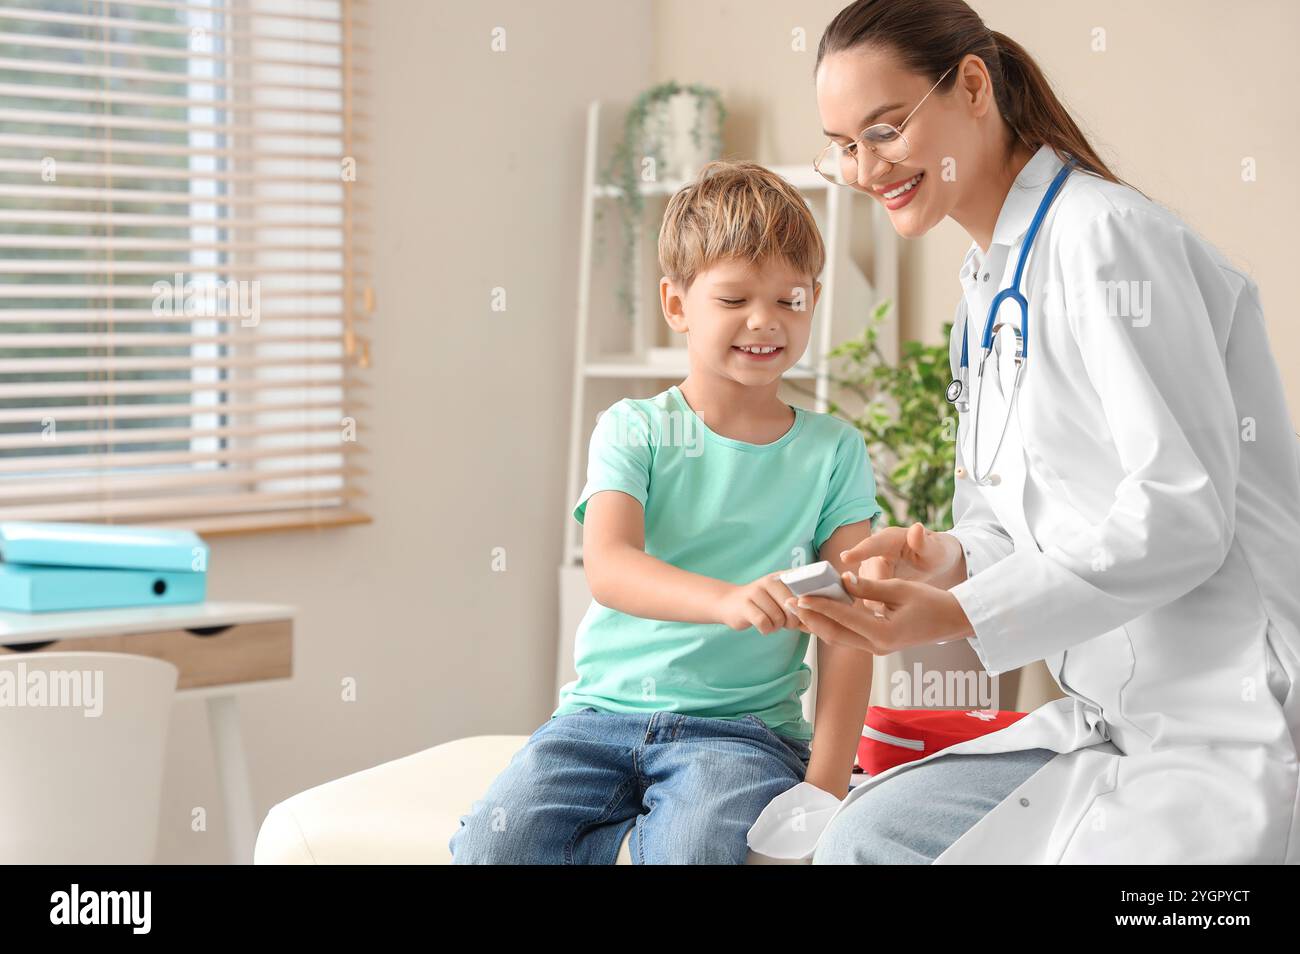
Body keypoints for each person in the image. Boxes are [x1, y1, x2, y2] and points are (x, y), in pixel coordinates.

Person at [752, 0, 1300, 864]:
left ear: (972, 85)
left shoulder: (1108, 240)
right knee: (869, 835)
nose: (864, 168)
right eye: (845, 146)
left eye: (884, 130)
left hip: (1230, 722)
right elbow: (1018, 522)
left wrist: (960, 609)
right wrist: (949, 560)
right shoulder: (988, 291)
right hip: (1116, 718)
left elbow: (1181, 513)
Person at [451, 160, 884, 864]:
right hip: (596, 721)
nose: (765, 321)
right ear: (677, 305)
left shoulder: (833, 450)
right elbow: (611, 566)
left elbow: (849, 628)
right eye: (735, 298)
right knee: (495, 845)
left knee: (691, 850)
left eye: (790, 299)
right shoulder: (634, 428)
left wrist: (825, 789)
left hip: (741, 734)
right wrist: (728, 600)